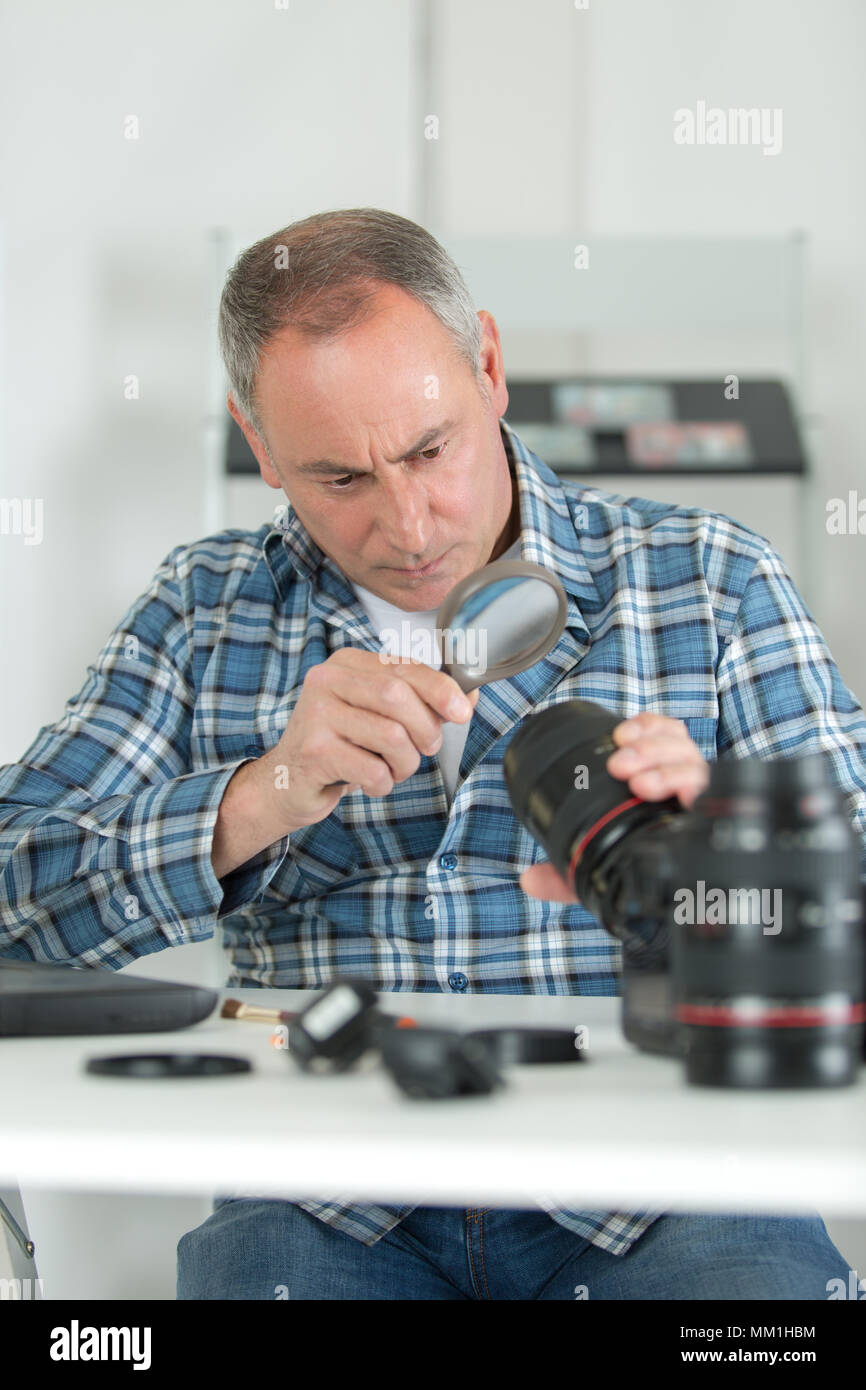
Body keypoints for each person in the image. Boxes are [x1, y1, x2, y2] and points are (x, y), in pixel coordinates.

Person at [1, 208, 864, 1300]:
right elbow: (8, 891)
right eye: (340, 479)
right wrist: (260, 796)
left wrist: (744, 844)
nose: (408, 525)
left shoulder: (708, 578)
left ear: (489, 368)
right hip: (325, 1200)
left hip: (666, 1180)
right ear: (258, 445)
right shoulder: (204, 610)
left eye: (428, 449)